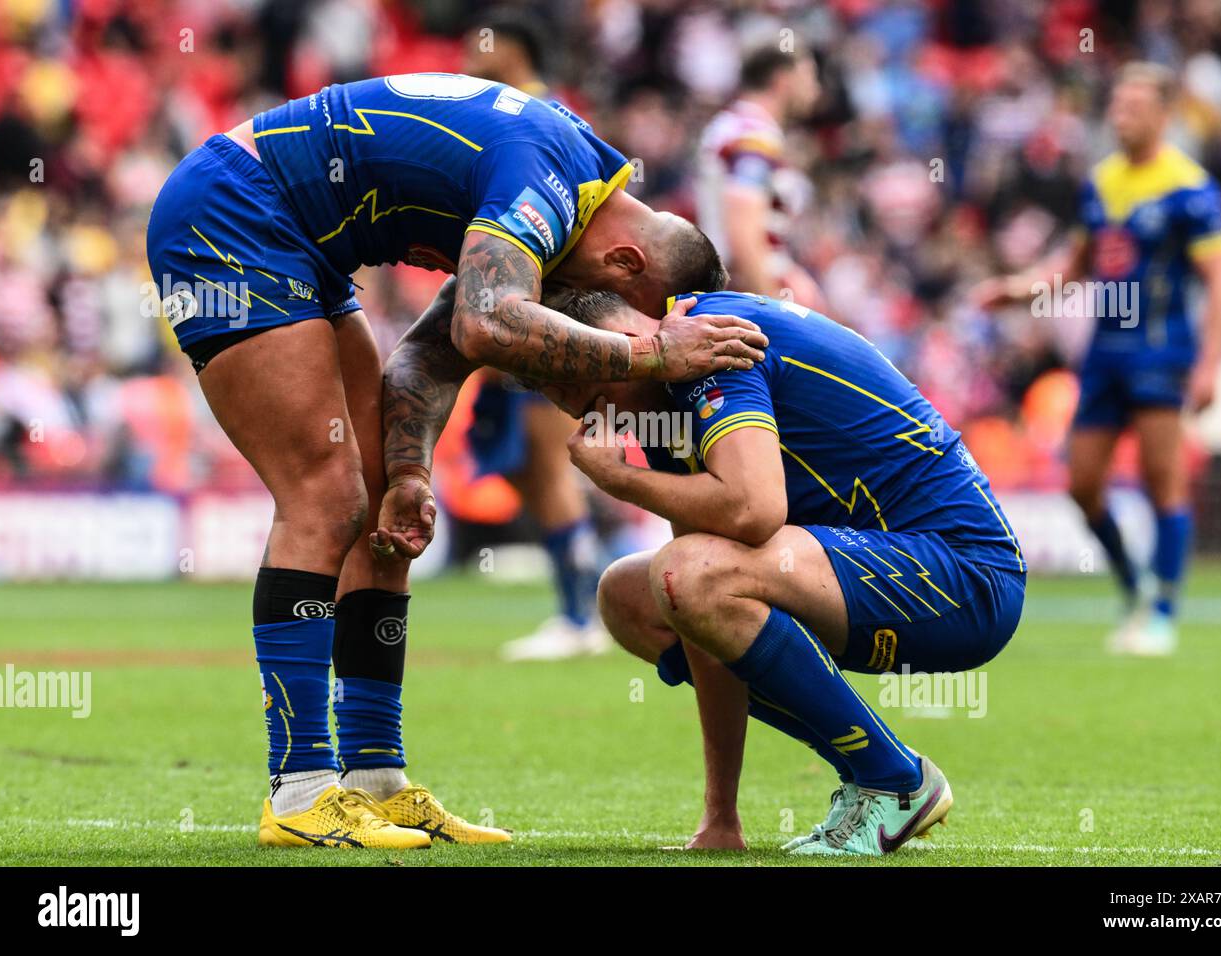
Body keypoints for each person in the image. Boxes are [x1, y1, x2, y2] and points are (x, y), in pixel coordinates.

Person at [146, 72, 766, 849]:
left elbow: (427, 360)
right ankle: (300, 790)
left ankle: (375, 779)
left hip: (292, 235)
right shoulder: (546, 188)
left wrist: (408, 472)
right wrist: (652, 353)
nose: (600, 383)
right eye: (622, 323)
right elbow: (483, 325)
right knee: (326, 498)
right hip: (231, 215)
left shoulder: (565, 191)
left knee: (376, 506)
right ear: (627, 265)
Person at [531, 287, 1025, 856]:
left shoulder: (713, 342)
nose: (583, 413)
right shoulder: (656, 395)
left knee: (691, 573)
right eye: (568, 402)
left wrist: (620, 481)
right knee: (632, 596)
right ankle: (880, 775)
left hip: (963, 575)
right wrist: (721, 816)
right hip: (871, 569)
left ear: (620, 343)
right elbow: (697, 618)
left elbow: (752, 509)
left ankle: (893, 781)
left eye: (587, 390)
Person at [973, 62, 1221, 656]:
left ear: (1164, 114)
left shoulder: (1188, 188)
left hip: (1160, 348)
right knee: (1083, 484)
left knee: (1161, 480)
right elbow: (1079, 264)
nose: (1122, 116)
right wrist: (1021, 289)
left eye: (1135, 107)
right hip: (1106, 348)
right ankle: (1136, 587)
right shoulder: (1101, 181)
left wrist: (1210, 363)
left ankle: (1164, 613)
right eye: (1117, 105)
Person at [461, 10, 610, 661]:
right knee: (526, 467)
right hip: (516, 316)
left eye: (480, 42)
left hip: (546, 319)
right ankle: (585, 600)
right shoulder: (521, 114)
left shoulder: (542, 117)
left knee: (550, 467)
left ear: (513, 48)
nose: (468, 54)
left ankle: (582, 617)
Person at [696, 45, 826, 308]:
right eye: (809, 77)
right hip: (746, 292)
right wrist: (774, 310)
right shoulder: (752, 136)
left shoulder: (738, 127)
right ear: (783, 79)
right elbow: (743, 230)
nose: (816, 90)